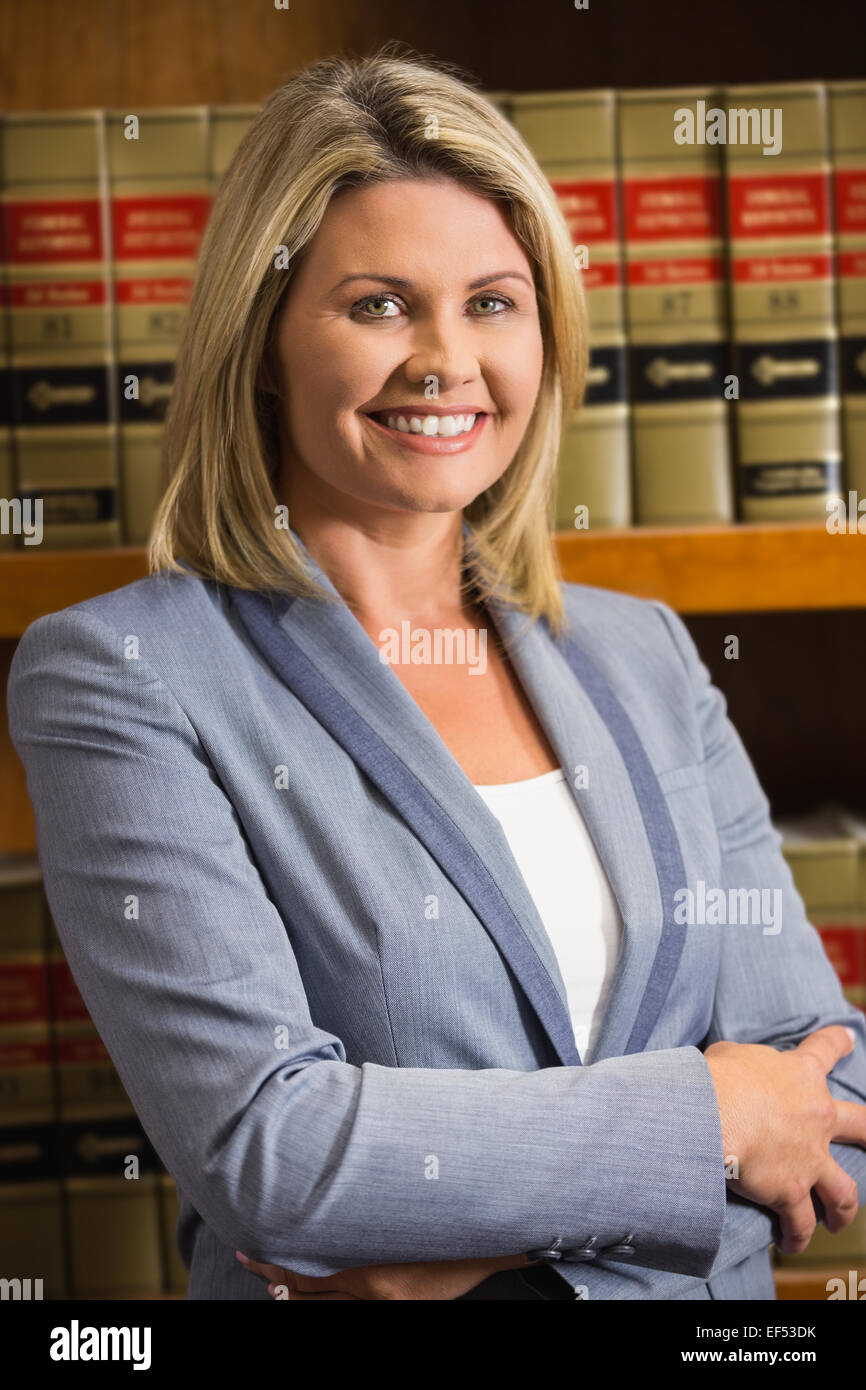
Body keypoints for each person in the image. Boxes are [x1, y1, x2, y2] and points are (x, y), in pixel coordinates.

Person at [8, 44, 866, 1301]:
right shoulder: (124, 675)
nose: (443, 360)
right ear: (261, 340)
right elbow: (273, 1153)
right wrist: (703, 1120)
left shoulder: (641, 654)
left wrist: (442, 1245)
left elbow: (828, 1094)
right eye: (377, 304)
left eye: (491, 302)